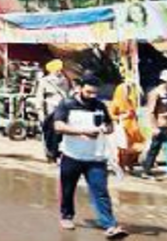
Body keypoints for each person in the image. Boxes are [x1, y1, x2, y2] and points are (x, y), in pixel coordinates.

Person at [53, 75, 129, 239]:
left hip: (96, 157)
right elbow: (58, 126)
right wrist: (82, 132)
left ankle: (110, 225)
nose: (92, 96)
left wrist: (106, 129)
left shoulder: (100, 105)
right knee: (67, 189)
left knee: (100, 191)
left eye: (95, 93)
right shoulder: (67, 104)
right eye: (88, 92)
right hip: (71, 155)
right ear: (80, 88)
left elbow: (110, 125)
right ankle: (66, 216)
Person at [142, 69, 167, 177]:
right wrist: (154, 127)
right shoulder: (155, 93)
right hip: (160, 125)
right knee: (155, 148)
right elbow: (150, 112)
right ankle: (146, 169)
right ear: (166, 82)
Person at [108, 77, 146, 174]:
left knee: (135, 148)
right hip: (122, 128)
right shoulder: (115, 102)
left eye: (128, 90)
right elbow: (111, 116)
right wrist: (123, 116)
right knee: (123, 149)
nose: (128, 92)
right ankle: (122, 166)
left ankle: (130, 165)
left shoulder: (130, 101)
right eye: (126, 90)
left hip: (133, 127)